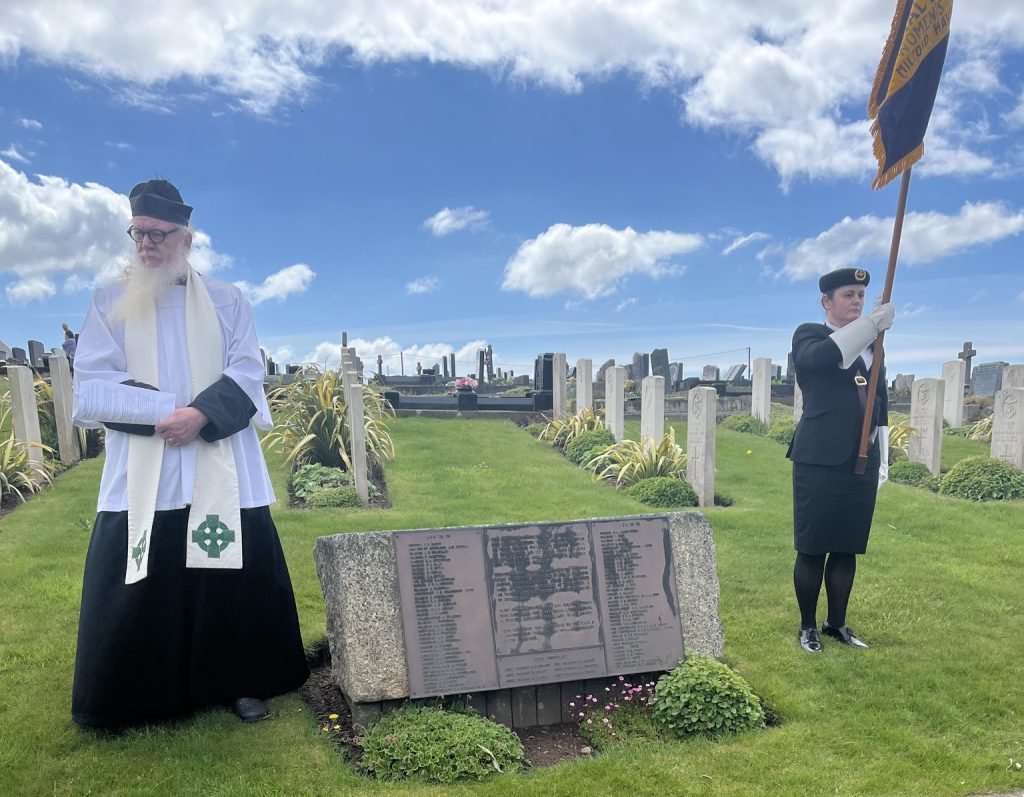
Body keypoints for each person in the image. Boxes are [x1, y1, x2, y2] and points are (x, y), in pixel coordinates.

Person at [71, 179, 308, 729]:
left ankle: (242, 682)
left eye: (158, 234)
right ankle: (133, 693)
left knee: (227, 578)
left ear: (187, 237)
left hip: (218, 453)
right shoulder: (109, 302)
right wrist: (163, 417)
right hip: (145, 458)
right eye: (138, 234)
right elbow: (94, 381)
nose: (147, 244)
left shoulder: (228, 300)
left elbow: (248, 371)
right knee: (143, 573)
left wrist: (199, 415)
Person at [786, 267, 894, 653]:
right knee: (813, 546)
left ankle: (837, 623)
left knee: (847, 545)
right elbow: (826, 359)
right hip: (818, 459)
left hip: (861, 460)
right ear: (826, 302)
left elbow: (879, 404)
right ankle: (807, 627)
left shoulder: (874, 346)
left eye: (861, 296)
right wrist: (869, 325)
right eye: (848, 295)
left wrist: (884, 456)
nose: (857, 302)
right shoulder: (809, 335)